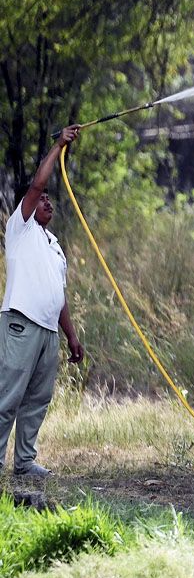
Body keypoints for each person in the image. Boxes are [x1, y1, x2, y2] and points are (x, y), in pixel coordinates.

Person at [1, 125, 85, 478]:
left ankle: (24, 462)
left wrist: (72, 335)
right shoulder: (20, 229)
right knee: (8, 395)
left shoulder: (54, 246)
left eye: (51, 200)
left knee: (37, 400)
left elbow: (60, 296)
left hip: (49, 330)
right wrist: (58, 144)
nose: (47, 201)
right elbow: (36, 185)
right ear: (29, 206)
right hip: (21, 322)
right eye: (42, 200)